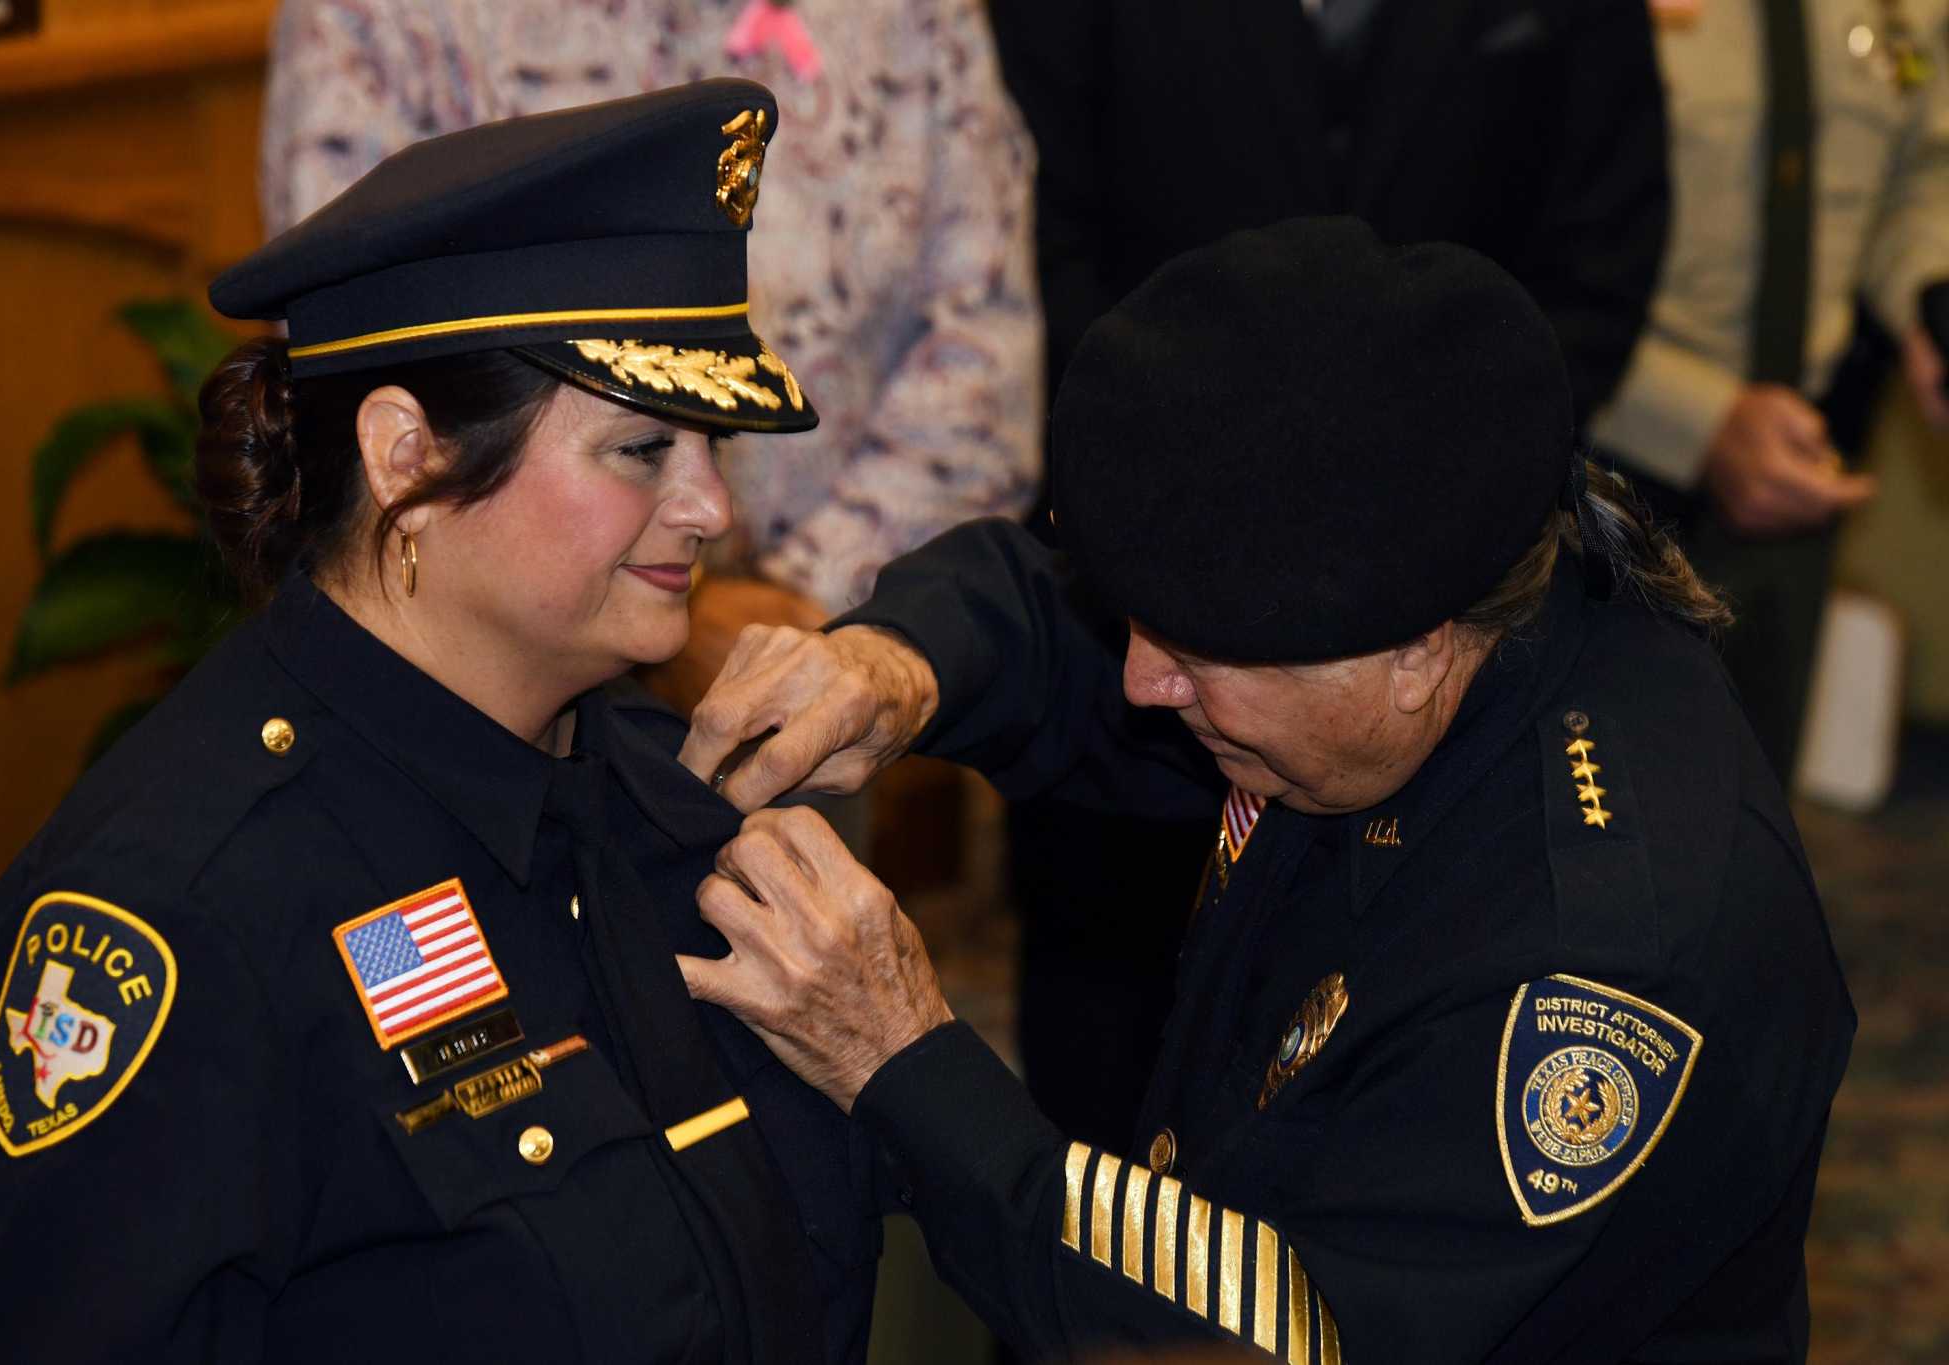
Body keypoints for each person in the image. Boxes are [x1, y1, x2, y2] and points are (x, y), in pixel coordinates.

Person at [675, 220, 1855, 1361]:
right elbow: (1070, 617)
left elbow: (1276, 1332)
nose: (1144, 682)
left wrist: (900, 1059)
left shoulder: (1592, 956)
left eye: (1193, 652)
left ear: (1415, 650)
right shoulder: (1400, 622)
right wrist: (897, 665)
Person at [0, 82, 882, 1364]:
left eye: (709, 445)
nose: (711, 506)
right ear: (406, 459)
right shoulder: (189, 911)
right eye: (643, 449)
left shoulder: (657, 794)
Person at [985, 0, 1674, 1155]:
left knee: (1396, 1089)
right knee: (1101, 1071)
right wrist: (1162, 497)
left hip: (1429, 624)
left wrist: (1425, 515)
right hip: (1139, 583)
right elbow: (1031, 228)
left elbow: (1601, 239)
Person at [259, 0, 1043, 705]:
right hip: (471, 672)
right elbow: (358, 330)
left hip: (816, 650)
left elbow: (982, 351)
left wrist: (803, 609)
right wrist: (681, 609)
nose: (713, 507)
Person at [1590, 0, 1949, 786]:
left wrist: (1929, 294)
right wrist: (1698, 425)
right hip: (1592, 479)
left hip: (1802, 472)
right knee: (1587, 823)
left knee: (1747, 811)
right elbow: (1505, 229)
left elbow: (1922, 168)